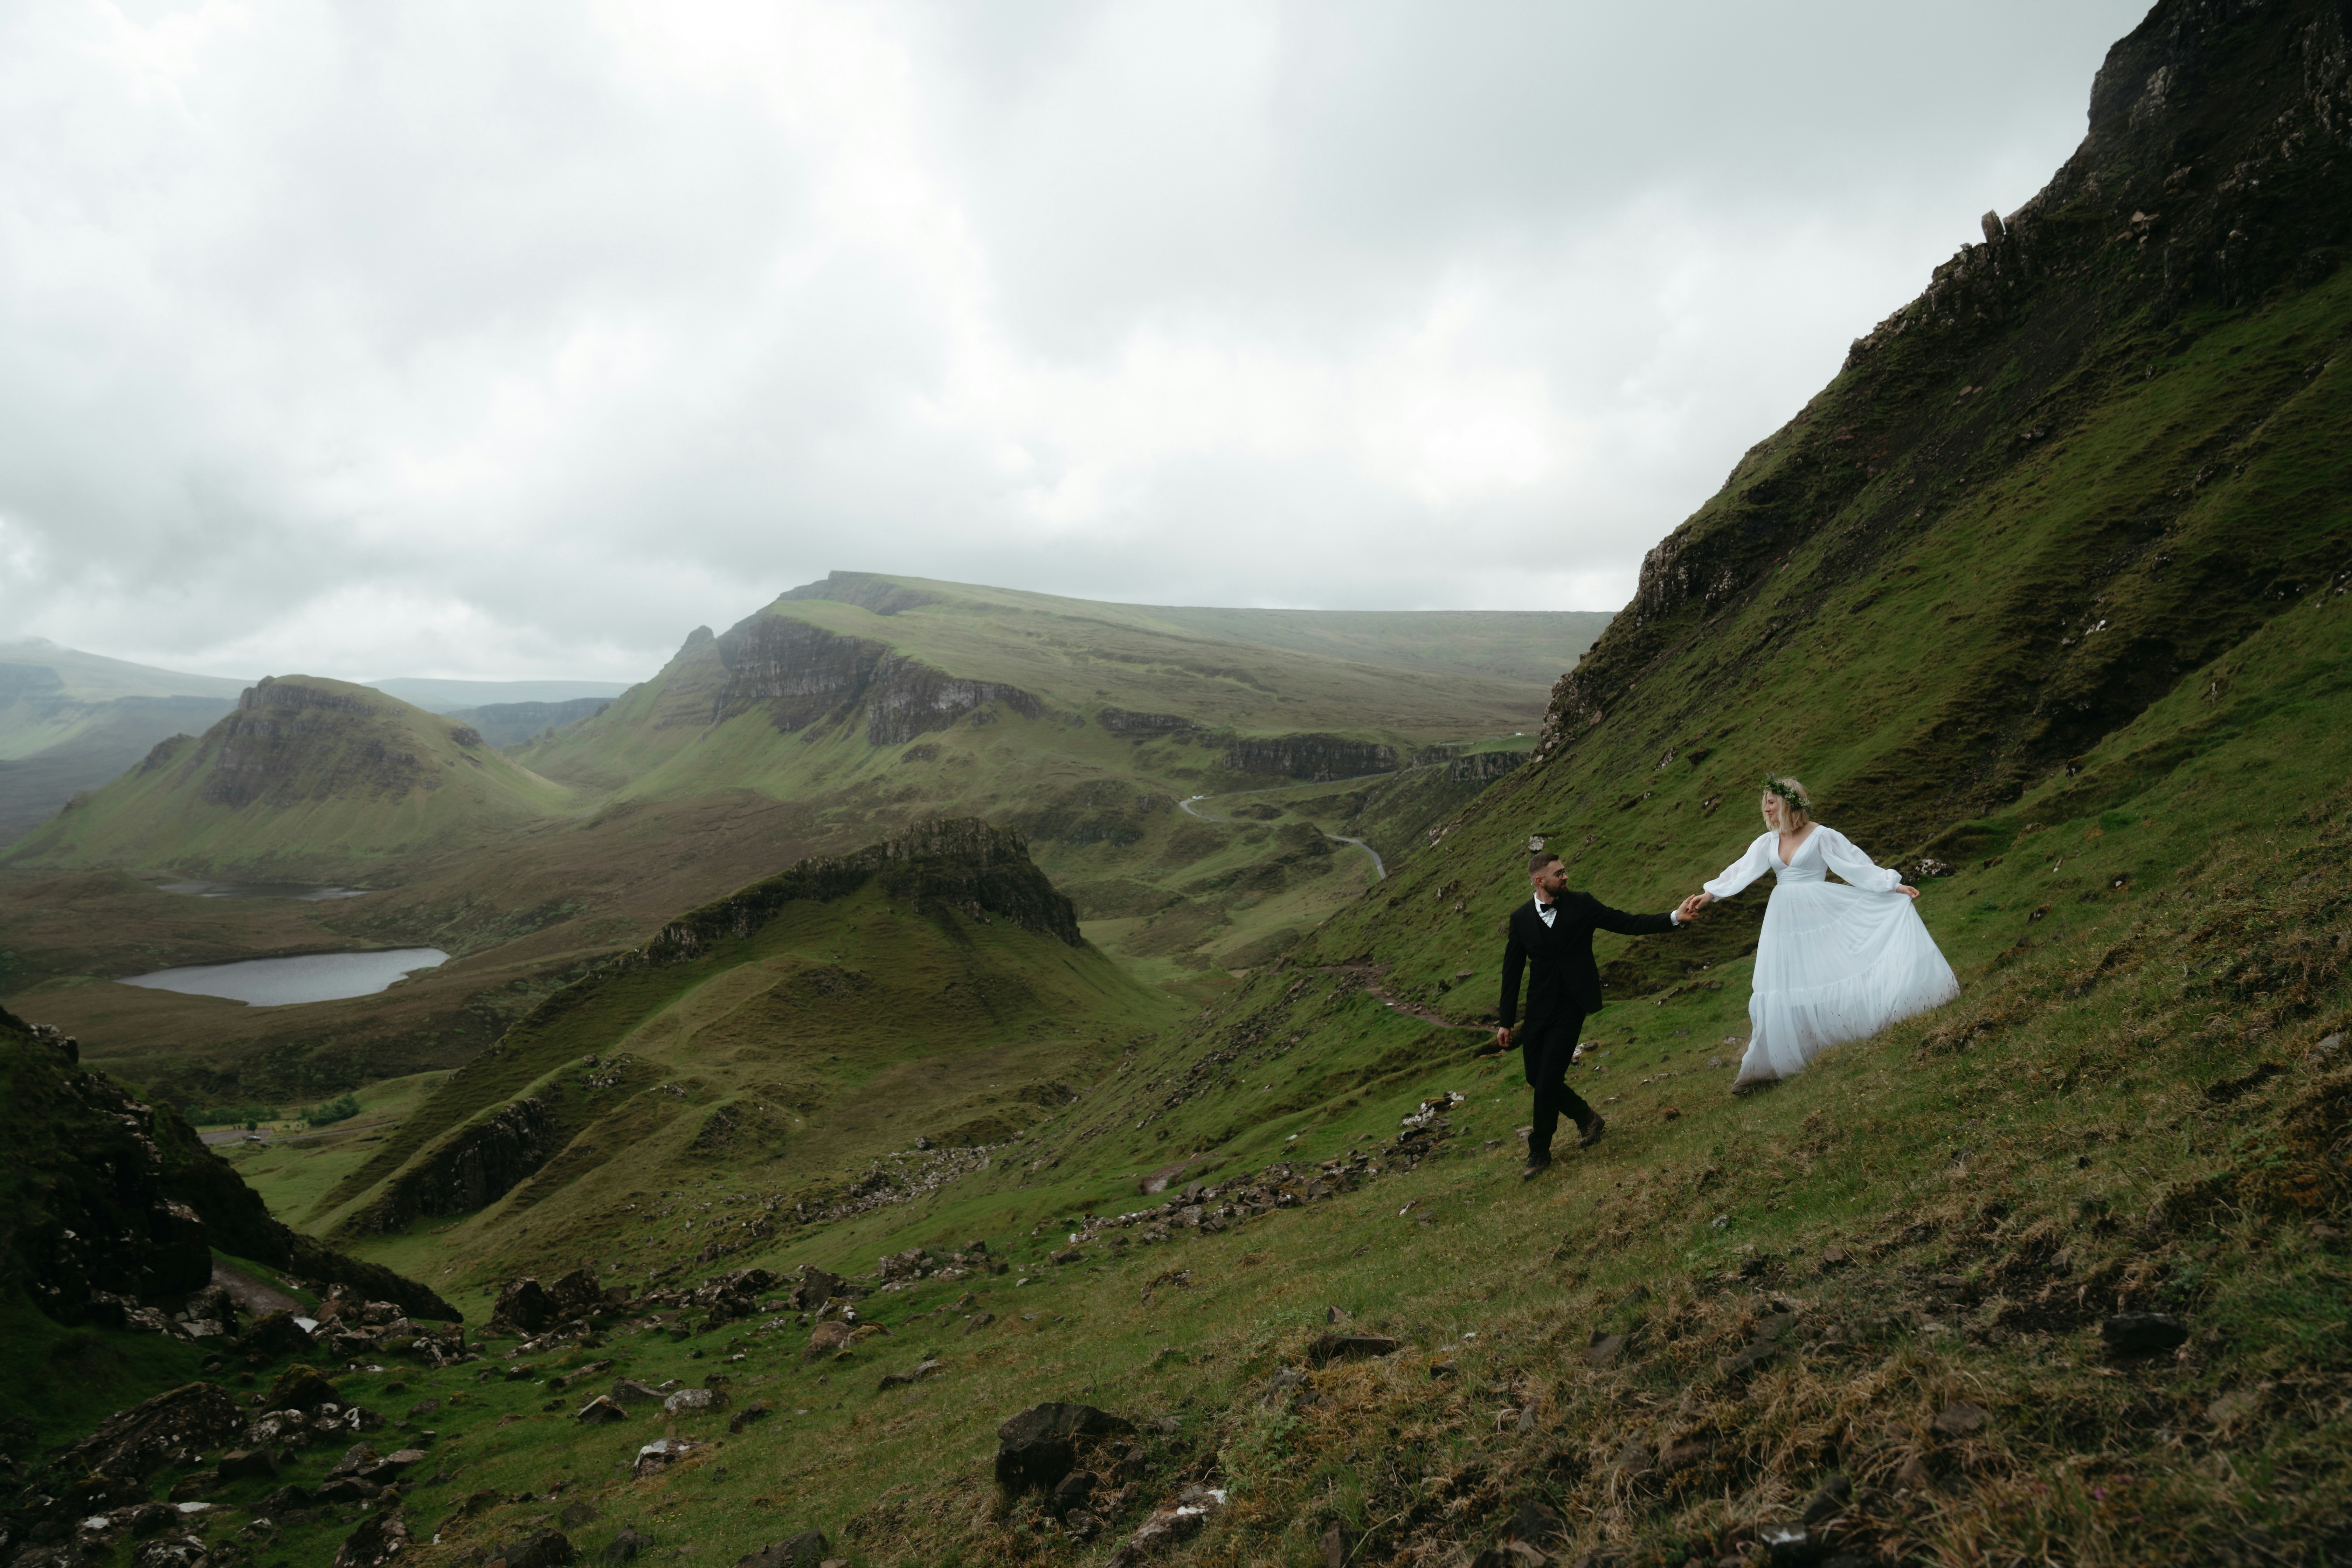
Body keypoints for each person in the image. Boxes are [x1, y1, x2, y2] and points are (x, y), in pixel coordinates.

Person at [1685, 776, 1958, 1091]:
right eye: (1765, 802)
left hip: (1819, 910)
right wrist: (1710, 895)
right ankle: (1768, 1065)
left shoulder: (1821, 835)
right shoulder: (1768, 841)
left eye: (1772, 801)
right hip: (1783, 920)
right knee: (1782, 983)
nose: (1766, 807)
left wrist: (1891, 885)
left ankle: (1830, 1038)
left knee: (1821, 974)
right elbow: (1741, 870)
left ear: (1789, 802)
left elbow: (1853, 864)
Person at [1495, 850, 1702, 1180]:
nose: (1566, 876)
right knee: (1536, 1077)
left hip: (1573, 1005)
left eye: (1565, 871)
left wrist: (1674, 917)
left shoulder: (1582, 904)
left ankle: (1540, 1150)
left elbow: (1628, 922)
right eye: (1559, 873)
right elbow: (1512, 971)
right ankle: (1588, 1117)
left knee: (1548, 1078)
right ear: (1540, 881)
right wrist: (1506, 1021)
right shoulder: (1520, 919)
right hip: (1538, 1010)